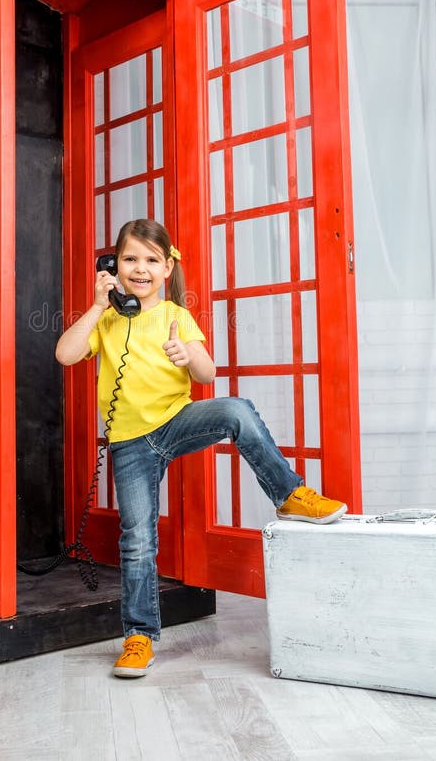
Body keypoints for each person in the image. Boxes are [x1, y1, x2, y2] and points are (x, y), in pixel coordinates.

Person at [55, 218, 347, 678]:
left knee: (237, 410)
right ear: (113, 266)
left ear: (167, 267)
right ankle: (139, 636)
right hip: (130, 441)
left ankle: (288, 494)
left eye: (151, 260)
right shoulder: (107, 319)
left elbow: (208, 375)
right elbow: (65, 354)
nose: (140, 269)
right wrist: (96, 305)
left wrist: (188, 356)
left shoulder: (177, 315)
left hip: (175, 422)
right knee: (138, 540)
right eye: (129, 259)